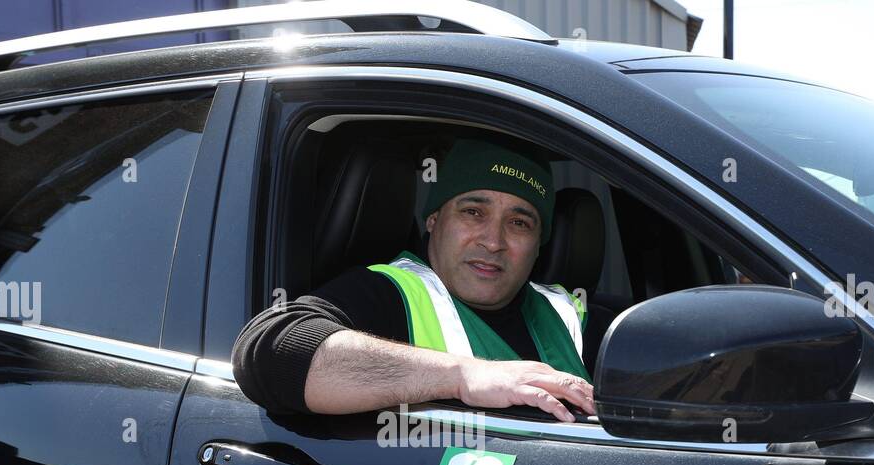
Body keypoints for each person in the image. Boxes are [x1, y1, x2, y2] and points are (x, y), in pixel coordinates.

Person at [232, 137, 609, 422]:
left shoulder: (568, 312)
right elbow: (270, 353)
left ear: (538, 245)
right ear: (434, 221)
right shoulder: (392, 291)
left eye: (519, 223)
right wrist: (464, 375)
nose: (493, 241)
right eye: (473, 212)